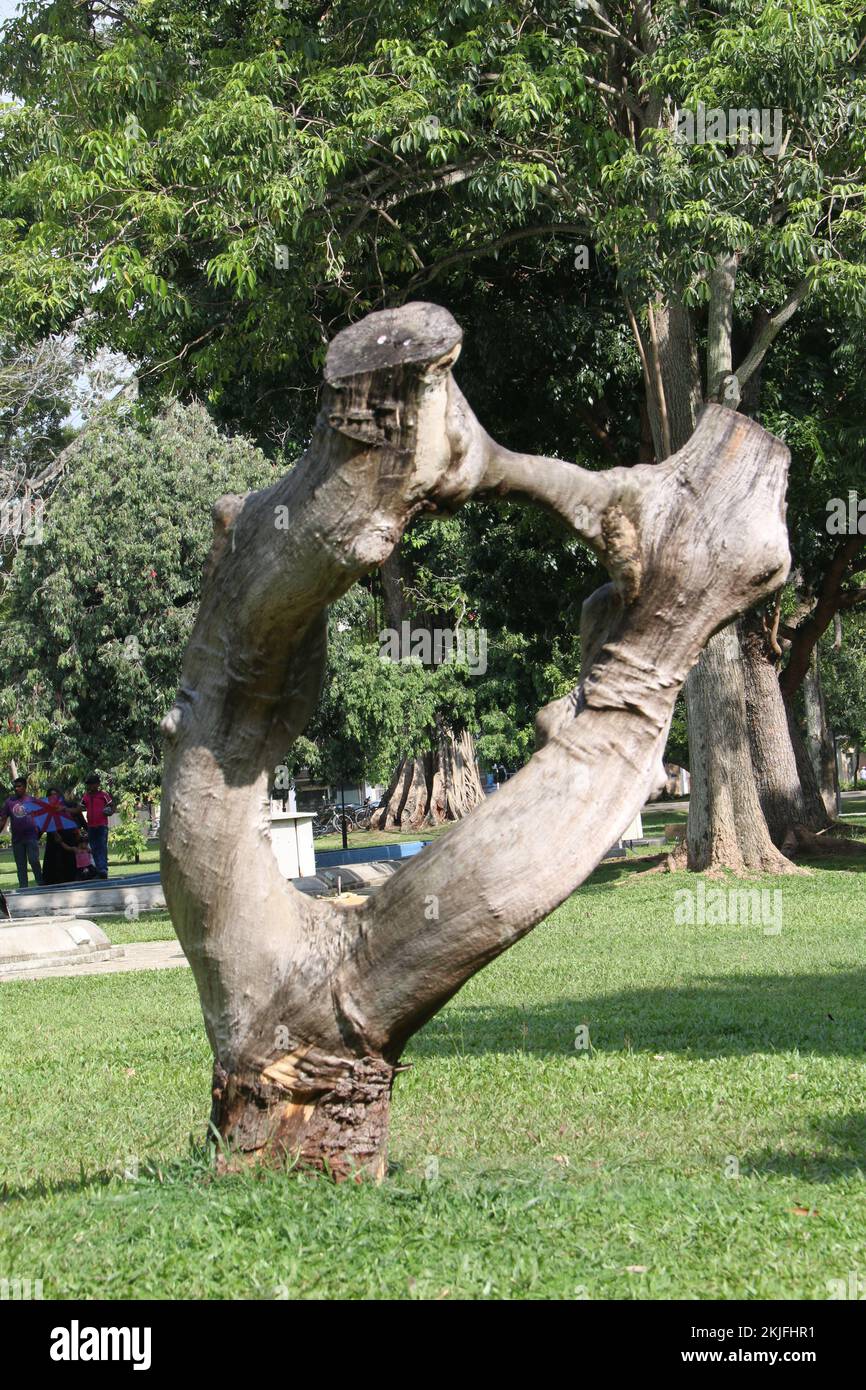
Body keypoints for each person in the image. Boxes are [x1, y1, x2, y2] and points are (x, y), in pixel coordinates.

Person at [0, 775, 43, 887]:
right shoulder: (9, 802)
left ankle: (41, 883)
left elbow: (42, 819)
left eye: (19, 786)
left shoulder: (32, 801)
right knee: (20, 865)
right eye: (15, 787)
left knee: (34, 861)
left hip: (31, 837)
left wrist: (39, 833)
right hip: (17, 839)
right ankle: (23, 888)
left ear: (25, 787)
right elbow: (3, 819)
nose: (16, 788)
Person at [80, 774, 115, 879]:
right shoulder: (86, 796)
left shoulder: (103, 795)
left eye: (92, 784)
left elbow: (112, 805)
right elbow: (80, 807)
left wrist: (110, 812)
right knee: (94, 848)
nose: (90, 786)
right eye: (89, 784)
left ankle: (103, 869)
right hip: (91, 826)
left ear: (98, 784)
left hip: (101, 825)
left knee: (102, 847)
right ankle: (100, 869)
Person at [41, 787, 77, 885]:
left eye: (55, 794)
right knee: (54, 861)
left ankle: (70, 879)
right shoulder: (46, 807)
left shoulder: (65, 805)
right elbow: (46, 822)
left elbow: (77, 812)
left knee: (68, 859)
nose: (53, 796)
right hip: (54, 837)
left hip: (67, 836)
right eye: (50, 795)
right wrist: (55, 834)